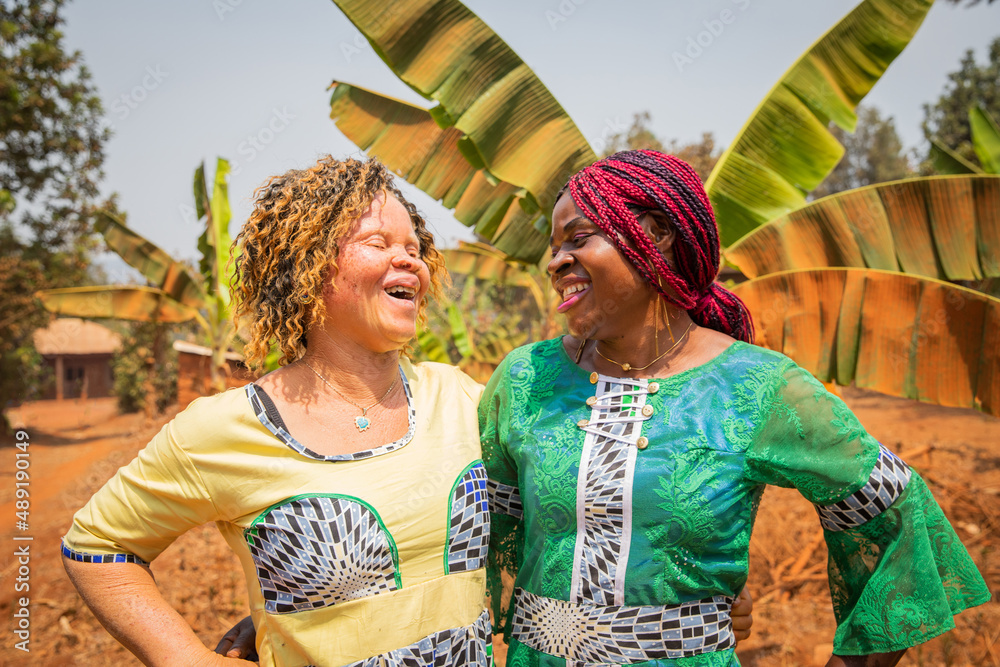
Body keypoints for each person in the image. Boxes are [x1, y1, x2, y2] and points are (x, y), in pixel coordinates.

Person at [480, 149, 990, 667]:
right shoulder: (526, 379)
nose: (555, 261)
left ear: (656, 234)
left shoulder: (757, 386)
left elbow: (899, 515)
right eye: (553, 246)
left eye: (579, 237)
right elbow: (476, 539)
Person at [61, 156, 492, 666]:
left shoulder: (461, 397)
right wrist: (187, 659)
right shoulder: (221, 429)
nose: (410, 262)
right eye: (378, 243)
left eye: (414, 249)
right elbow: (98, 544)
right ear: (308, 266)